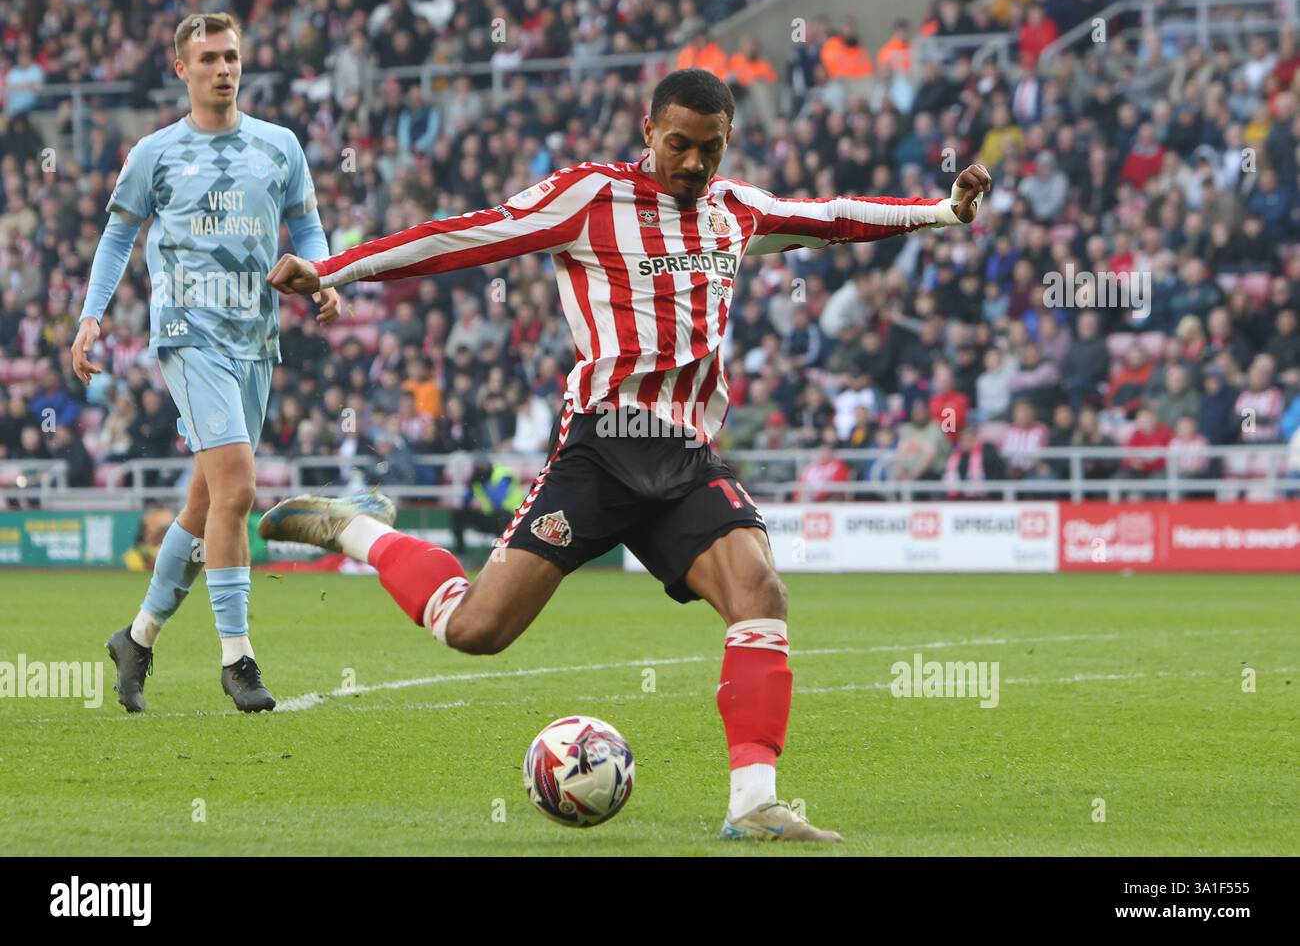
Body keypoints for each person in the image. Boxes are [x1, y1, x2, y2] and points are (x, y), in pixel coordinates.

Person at [259, 69, 990, 842]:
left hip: (686, 458)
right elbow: (461, 237)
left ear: (727, 143)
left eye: (709, 148)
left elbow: (836, 217)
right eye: (677, 144)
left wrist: (944, 212)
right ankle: (355, 528)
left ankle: (753, 801)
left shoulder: (736, 211)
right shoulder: (588, 199)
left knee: (760, 593)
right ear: (648, 132)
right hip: (601, 452)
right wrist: (334, 269)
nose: (692, 164)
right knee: (475, 630)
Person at [69, 12, 361, 714]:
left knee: (206, 506)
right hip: (187, 333)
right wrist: (90, 315)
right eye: (208, 59)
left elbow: (307, 223)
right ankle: (237, 659)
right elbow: (116, 240)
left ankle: (137, 638)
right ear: (182, 69)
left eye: (231, 56)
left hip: (255, 338)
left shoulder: (280, 145)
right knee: (237, 491)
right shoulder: (155, 154)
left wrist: (324, 276)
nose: (223, 69)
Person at [451, 456, 525, 556]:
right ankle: (461, 555)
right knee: (458, 515)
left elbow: (497, 502)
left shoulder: (503, 475)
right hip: (491, 516)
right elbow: (465, 503)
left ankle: (498, 558)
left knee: (500, 516)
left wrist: (484, 484)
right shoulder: (478, 479)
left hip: (513, 517)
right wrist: (471, 485)